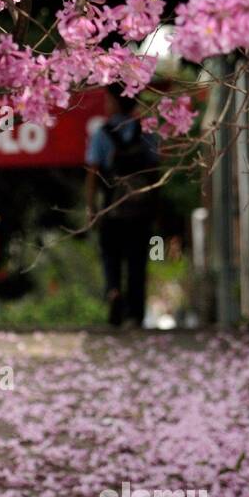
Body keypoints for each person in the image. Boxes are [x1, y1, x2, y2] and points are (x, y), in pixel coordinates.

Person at [85, 83, 160, 328]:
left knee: (111, 256)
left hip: (112, 208)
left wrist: (91, 207)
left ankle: (114, 292)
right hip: (141, 209)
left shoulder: (102, 132)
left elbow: (93, 173)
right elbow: (155, 169)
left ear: (115, 101)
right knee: (137, 259)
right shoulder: (147, 130)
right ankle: (135, 314)